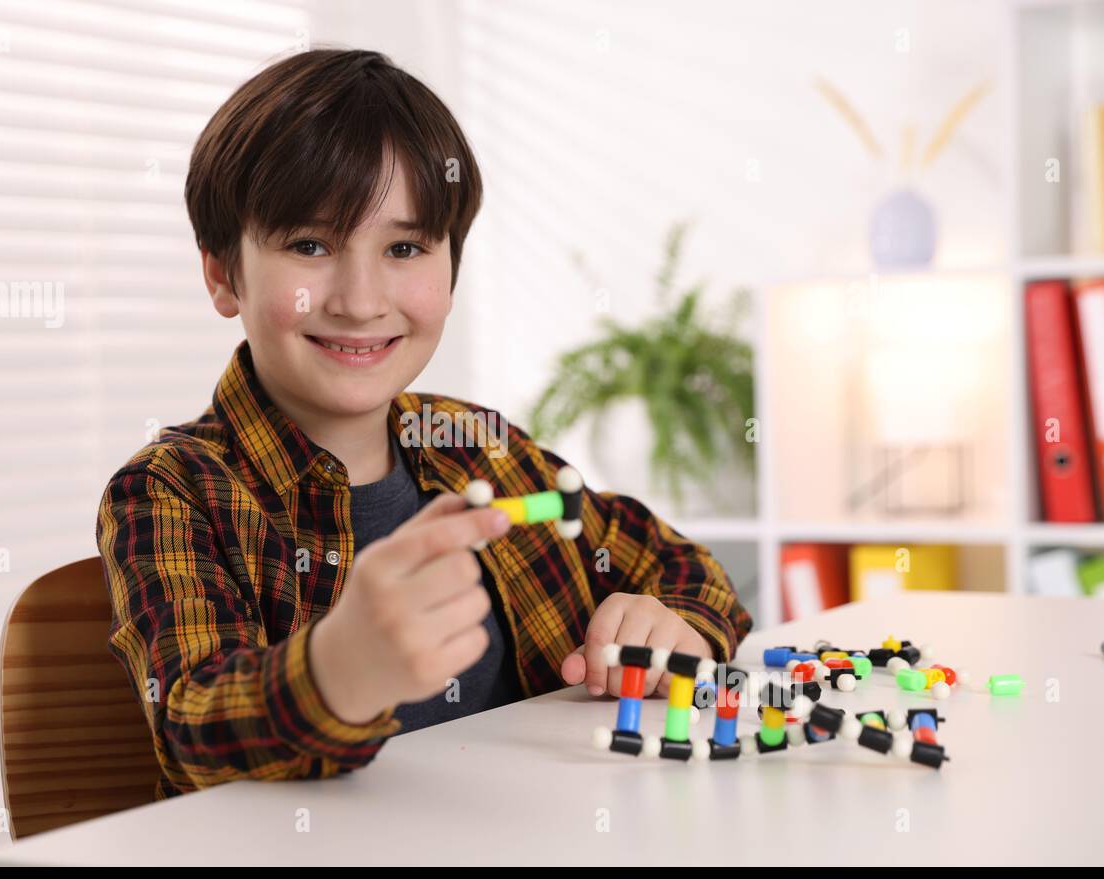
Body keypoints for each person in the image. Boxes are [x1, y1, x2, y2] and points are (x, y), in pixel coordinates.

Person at [96, 47, 752, 798]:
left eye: (405, 247)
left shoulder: (478, 446)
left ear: (450, 266)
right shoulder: (173, 490)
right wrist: (338, 665)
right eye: (309, 245)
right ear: (222, 273)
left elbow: (688, 569)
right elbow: (193, 728)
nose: (361, 298)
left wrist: (674, 624)